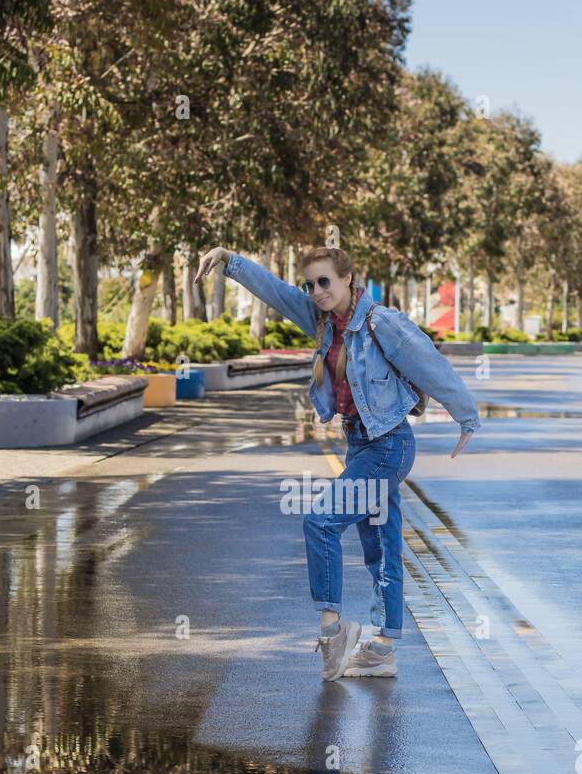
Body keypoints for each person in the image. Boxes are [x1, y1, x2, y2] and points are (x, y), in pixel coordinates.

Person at [195, 245, 478, 679]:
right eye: (311, 284)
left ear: (347, 279)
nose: (317, 291)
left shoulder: (380, 322)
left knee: (321, 521)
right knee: (382, 549)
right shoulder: (322, 320)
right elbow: (275, 291)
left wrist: (466, 417)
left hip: (388, 447)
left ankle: (333, 629)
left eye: (324, 281)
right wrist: (228, 260)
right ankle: (383, 648)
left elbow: (429, 364)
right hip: (360, 445)